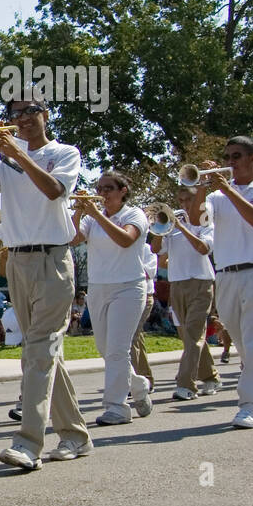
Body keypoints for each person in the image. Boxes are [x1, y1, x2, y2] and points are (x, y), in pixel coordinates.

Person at [0, 86, 92, 468]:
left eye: (29, 110)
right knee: (41, 353)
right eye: (14, 111)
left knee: (38, 352)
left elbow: (55, 191)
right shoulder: (4, 160)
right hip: (18, 262)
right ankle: (74, 435)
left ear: (46, 113)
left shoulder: (63, 153)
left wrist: (15, 152)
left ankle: (28, 442)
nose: (21, 117)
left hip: (54, 260)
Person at [70, 172, 153, 425]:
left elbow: (126, 239)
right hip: (98, 287)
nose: (103, 193)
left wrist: (95, 214)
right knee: (105, 349)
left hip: (128, 287)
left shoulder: (134, 214)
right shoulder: (93, 220)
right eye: (100, 188)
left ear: (123, 191)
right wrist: (78, 212)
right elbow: (73, 238)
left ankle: (117, 406)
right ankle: (138, 384)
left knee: (118, 349)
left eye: (109, 188)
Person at [201, 136, 253, 428]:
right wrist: (199, 187)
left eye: (236, 156)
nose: (230, 163)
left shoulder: (252, 190)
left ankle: (249, 405)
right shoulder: (216, 196)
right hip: (225, 274)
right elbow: (200, 222)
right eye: (227, 157)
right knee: (242, 343)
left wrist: (229, 190)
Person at [128, 241, 159, 392]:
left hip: (145, 296)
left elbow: (149, 273)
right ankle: (146, 378)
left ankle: (131, 381)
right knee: (136, 338)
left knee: (131, 336)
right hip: (128, 295)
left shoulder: (146, 248)